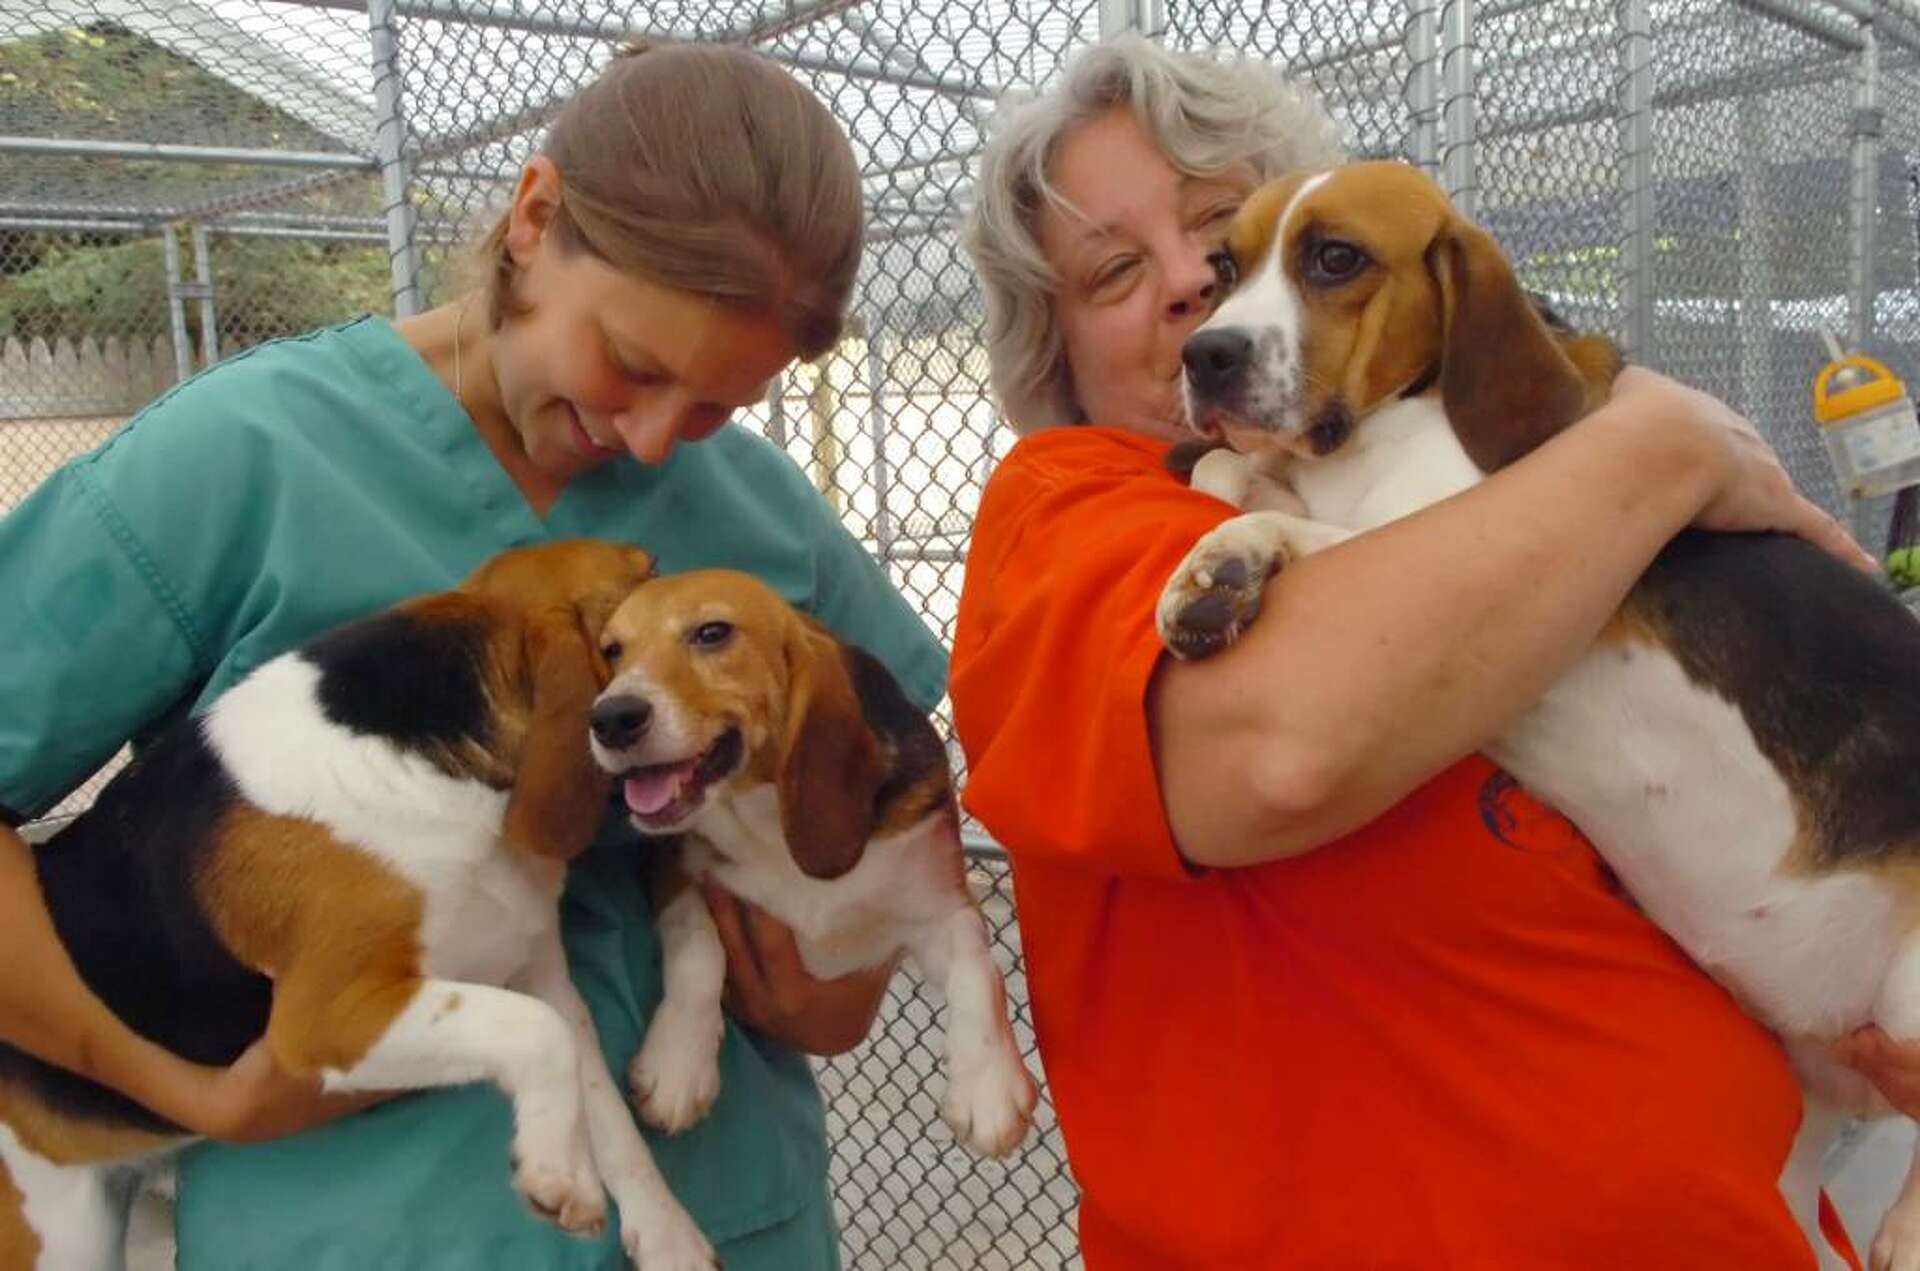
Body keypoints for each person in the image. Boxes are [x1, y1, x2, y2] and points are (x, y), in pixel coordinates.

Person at [952, 33, 1909, 1269]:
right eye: (1117, 270)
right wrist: (1671, 446)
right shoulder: (1063, 513)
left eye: (1225, 232)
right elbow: (1288, 742)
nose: (1199, 286)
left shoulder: (1486, 469)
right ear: (1054, 344)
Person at [0, 40, 945, 1270]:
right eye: (635, 364)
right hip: (375, 1223)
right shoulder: (245, 459)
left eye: (717, 403)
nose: (657, 445)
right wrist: (176, 1090)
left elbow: (895, 795)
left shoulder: (759, 515)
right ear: (533, 220)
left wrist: (844, 973)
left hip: (725, 1214)